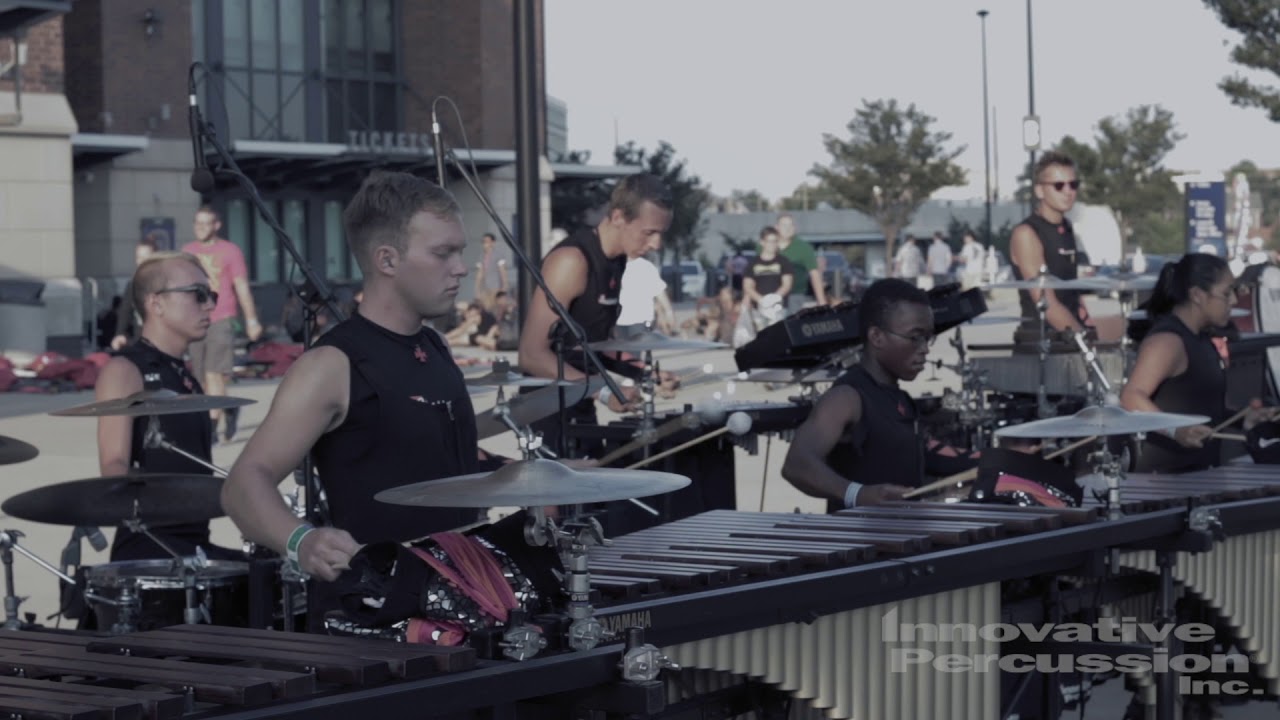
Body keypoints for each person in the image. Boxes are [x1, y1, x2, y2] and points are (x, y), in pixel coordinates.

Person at [220, 172, 501, 629]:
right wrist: (301, 540)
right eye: (443, 253)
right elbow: (243, 483)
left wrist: (542, 480)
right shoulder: (332, 364)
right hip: (375, 616)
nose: (461, 268)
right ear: (387, 259)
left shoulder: (434, 347)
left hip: (458, 597)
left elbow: (438, 462)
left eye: (460, 252)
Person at [517, 173, 675, 455]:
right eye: (649, 232)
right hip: (548, 411)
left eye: (662, 233)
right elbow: (531, 354)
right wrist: (603, 391)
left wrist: (647, 373)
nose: (657, 244)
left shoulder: (617, 261)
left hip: (581, 404)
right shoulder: (571, 261)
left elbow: (597, 345)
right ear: (618, 217)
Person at [781, 279, 975, 509]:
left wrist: (992, 458)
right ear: (877, 337)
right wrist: (856, 494)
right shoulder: (847, 397)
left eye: (927, 337)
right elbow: (797, 464)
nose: (925, 348)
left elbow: (923, 454)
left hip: (902, 528)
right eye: (915, 337)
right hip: (861, 530)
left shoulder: (901, 399)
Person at [95, 252, 236, 561]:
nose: (210, 305)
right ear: (156, 303)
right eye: (197, 294)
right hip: (149, 554)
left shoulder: (185, 375)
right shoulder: (125, 370)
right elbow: (114, 466)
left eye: (211, 295)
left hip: (195, 548)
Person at [1120, 253, 1273, 473]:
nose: (1233, 301)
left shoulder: (1201, 338)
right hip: (1166, 478)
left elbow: (1202, 410)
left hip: (1199, 472)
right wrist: (1176, 430)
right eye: (1226, 293)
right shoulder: (1168, 341)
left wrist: (1242, 419)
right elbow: (1131, 397)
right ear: (1197, 295)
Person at [182, 207, 263, 443]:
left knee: (214, 373)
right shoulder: (187, 252)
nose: (200, 228)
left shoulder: (230, 251)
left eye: (206, 223)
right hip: (194, 319)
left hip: (221, 317)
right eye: (197, 223)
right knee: (200, 377)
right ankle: (229, 408)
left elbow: (241, 286)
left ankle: (212, 427)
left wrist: (251, 320)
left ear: (217, 225)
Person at [1009, 152, 1090, 344]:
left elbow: (1070, 291)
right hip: (1041, 343)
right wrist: (1086, 343)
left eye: (1073, 184)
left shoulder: (1067, 227)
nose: (1068, 191)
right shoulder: (1026, 233)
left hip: (1069, 336)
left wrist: (1088, 323)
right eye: (1059, 185)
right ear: (1039, 191)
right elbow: (1048, 305)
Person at [110, 238, 158, 350]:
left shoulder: (164, 284)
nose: (142, 261)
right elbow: (125, 311)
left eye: (147, 257)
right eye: (139, 257)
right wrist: (120, 334)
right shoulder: (133, 285)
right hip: (140, 339)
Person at [616, 252, 675, 339]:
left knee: (636, 346)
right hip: (620, 321)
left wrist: (668, 312)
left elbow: (659, 292)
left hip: (640, 320)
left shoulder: (645, 266)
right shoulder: (616, 266)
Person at [742, 226, 795, 323]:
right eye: (769, 241)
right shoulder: (753, 263)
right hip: (757, 309)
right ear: (762, 242)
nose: (772, 244)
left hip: (778, 309)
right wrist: (762, 301)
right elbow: (748, 286)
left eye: (775, 241)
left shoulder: (783, 261)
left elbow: (787, 284)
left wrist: (774, 299)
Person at [776, 213, 825, 311]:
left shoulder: (804, 248)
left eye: (791, 225)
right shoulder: (766, 246)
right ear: (776, 227)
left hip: (795, 296)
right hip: (768, 296)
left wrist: (822, 302)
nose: (788, 228)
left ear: (795, 228)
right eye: (784, 225)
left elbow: (814, 274)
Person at [474, 232, 508, 307]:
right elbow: (479, 274)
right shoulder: (481, 256)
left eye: (487, 241)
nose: (485, 244)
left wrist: (504, 287)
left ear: (493, 243)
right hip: (485, 288)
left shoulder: (498, 255)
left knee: (495, 307)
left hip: (496, 287)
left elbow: (503, 272)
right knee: (486, 307)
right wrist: (477, 290)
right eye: (483, 242)